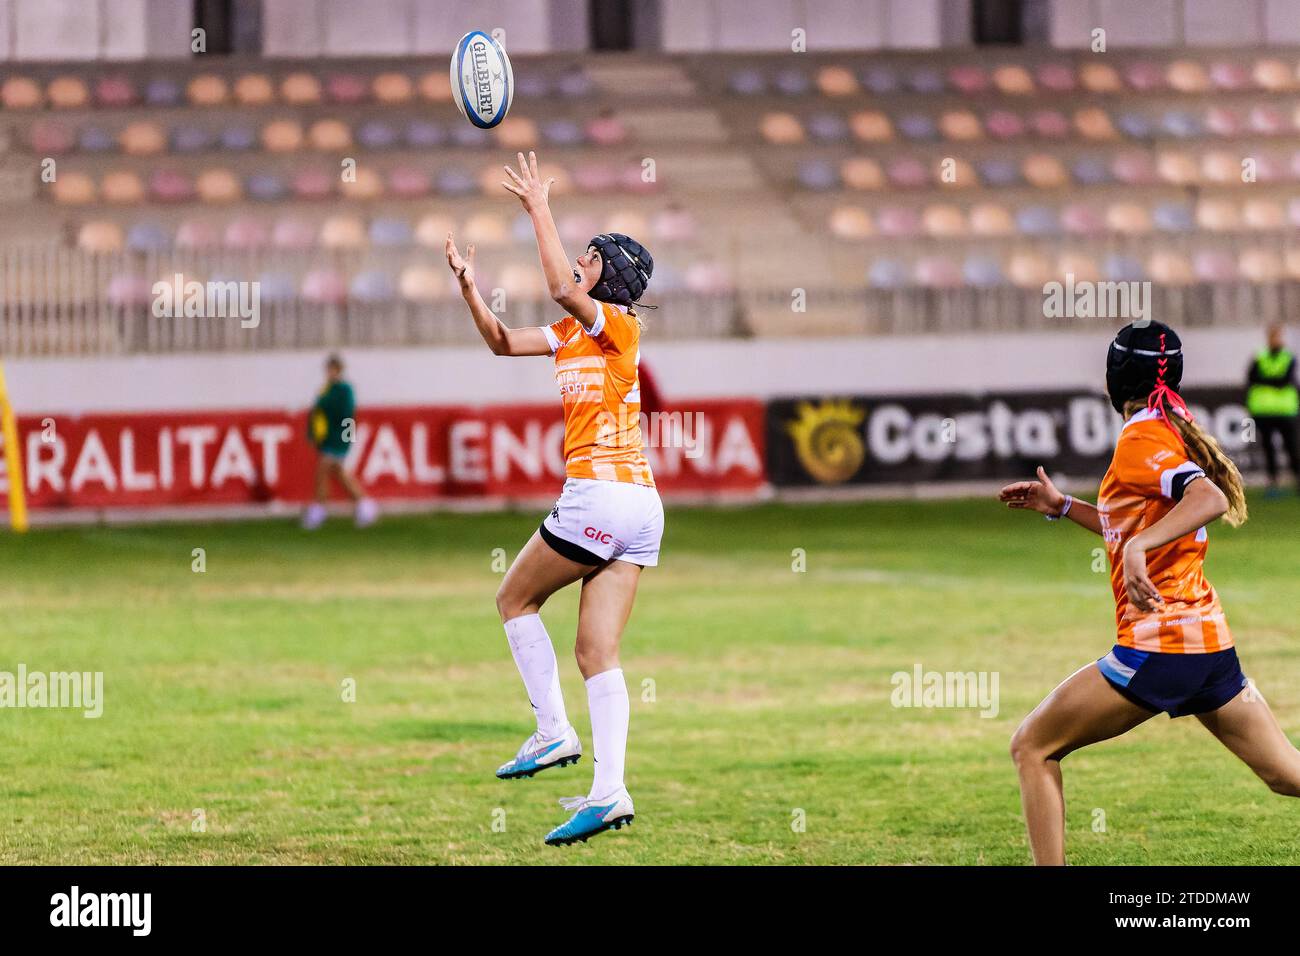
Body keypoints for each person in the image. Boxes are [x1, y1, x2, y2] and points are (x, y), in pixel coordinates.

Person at [998, 321, 1300, 865]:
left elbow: (1206, 499)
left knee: (1032, 746)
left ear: (1115, 378)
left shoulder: (1141, 436)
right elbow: (1132, 523)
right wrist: (1064, 506)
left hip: (1160, 649)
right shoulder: (1173, 424)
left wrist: (1138, 548)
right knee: (1287, 774)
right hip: (1210, 650)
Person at [444, 150, 663, 846]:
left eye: (591, 257)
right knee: (597, 653)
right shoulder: (573, 333)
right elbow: (504, 342)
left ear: (610, 277)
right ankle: (610, 792)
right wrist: (470, 289)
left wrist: (538, 207)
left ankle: (551, 731)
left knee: (513, 599)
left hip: (601, 496)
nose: (580, 263)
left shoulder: (618, 326)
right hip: (637, 508)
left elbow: (565, 291)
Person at [303, 354, 376, 529]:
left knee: (323, 471)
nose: (329, 373)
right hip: (327, 439)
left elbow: (349, 416)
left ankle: (318, 511)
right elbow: (317, 413)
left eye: (332, 369)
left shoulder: (345, 390)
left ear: (338, 370)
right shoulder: (326, 389)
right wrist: (313, 434)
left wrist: (347, 440)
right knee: (340, 474)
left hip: (339, 439)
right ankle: (364, 505)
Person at [1245, 323, 1299, 494]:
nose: (1274, 339)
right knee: (1268, 448)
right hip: (1263, 410)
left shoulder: (1287, 356)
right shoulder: (1260, 355)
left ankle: (1297, 479)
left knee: (1292, 447)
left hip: (1285, 411)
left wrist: (1266, 379)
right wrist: (1274, 381)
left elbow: (1285, 380)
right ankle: (1273, 482)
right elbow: (1252, 378)